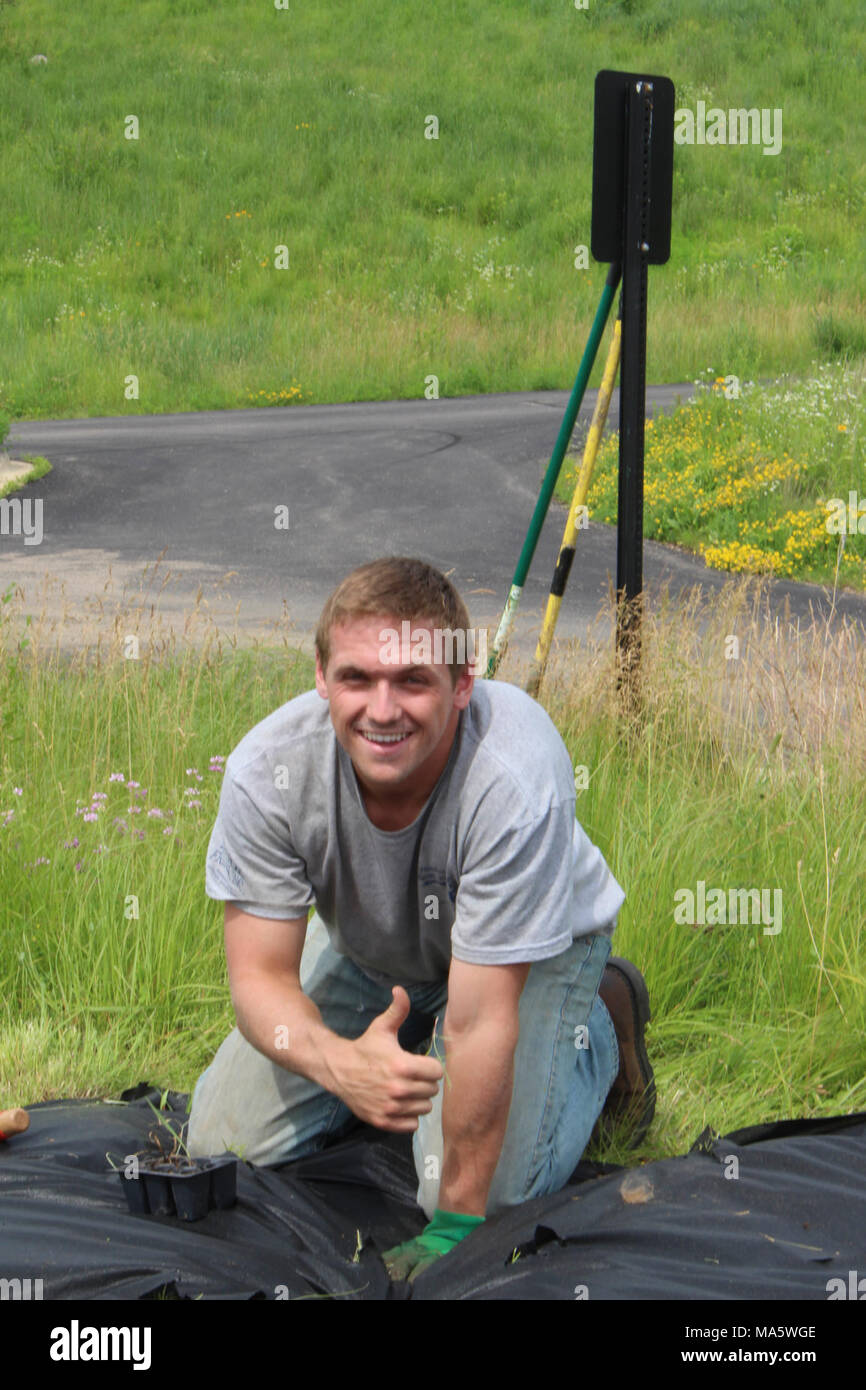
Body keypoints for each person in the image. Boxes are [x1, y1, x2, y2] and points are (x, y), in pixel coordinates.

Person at [186, 556, 654, 1282]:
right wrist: (340, 1063)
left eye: (412, 680)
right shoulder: (268, 771)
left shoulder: (514, 774)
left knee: (485, 1198)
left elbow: (480, 1024)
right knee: (226, 1142)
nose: (382, 708)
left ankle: (599, 1024)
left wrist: (453, 1235)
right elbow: (259, 976)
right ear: (320, 676)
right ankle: (401, 1042)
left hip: (529, 958)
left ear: (462, 683)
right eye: (357, 678)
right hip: (377, 951)